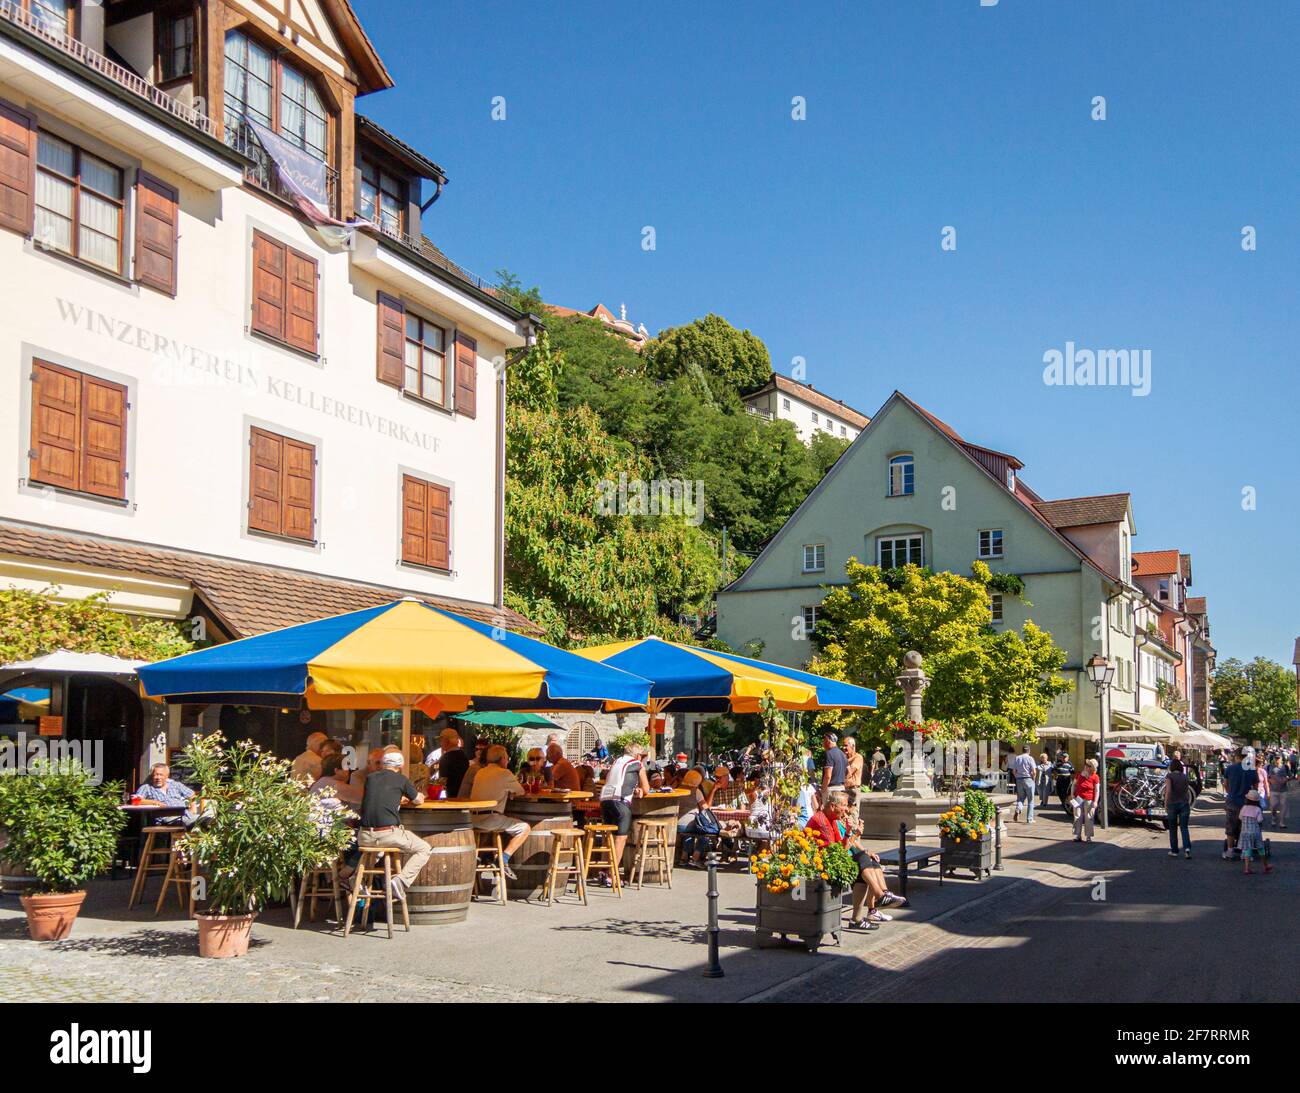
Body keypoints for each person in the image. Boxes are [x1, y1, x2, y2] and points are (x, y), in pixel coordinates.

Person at [806, 791, 907, 929]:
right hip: (823, 863)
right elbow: (838, 851)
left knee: (868, 863)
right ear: (833, 806)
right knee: (863, 859)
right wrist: (852, 834)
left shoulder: (833, 820)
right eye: (843, 805)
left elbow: (842, 847)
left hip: (832, 859)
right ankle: (879, 897)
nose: (846, 809)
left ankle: (859, 917)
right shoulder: (821, 820)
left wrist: (850, 833)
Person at [356, 751, 429, 901]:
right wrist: (420, 796)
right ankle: (400, 881)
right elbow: (417, 800)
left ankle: (357, 878)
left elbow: (377, 798)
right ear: (401, 766)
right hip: (387, 834)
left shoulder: (370, 778)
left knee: (378, 852)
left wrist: (396, 799)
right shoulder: (401, 779)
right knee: (424, 849)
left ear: (383, 764)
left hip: (364, 836)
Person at [467, 744, 531, 880]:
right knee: (525, 828)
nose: (507, 761)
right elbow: (521, 792)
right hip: (490, 819)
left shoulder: (480, 772)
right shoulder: (505, 773)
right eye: (507, 758)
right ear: (502, 759)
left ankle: (479, 858)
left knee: (491, 830)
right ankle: (503, 859)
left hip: (473, 818)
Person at [599, 743, 651, 875]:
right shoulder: (637, 764)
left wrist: (633, 789)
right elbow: (646, 789)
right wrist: (639, 789)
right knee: (620, 838)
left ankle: (603, 871)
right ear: (638, 755)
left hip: (605, 799)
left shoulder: (616, 761)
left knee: (608, 836)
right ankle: (612, 874)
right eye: (642, 756)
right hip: (621, 802)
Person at [1222, 749, 1255, 861]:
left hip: (1232, 801)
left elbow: (1225, 784)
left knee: (1231, 827)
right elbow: (1255, 787)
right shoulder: (1251, 768)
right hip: (1248, 803)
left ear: (1236, 756)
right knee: (1246, 827)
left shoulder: (1230, 768)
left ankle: (1230, 850)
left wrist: (1231, 792)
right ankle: (1245, 852)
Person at [676, 770, 713, 866]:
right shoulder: (696, 791)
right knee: (706, 833)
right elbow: (705, 808)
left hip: (677, 824)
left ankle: (683, 858)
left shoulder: (677, 789)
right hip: (689, 823)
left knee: (689, 835)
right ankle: (695, 858)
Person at [1163, 758, 1193, 858]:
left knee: (1173, 828)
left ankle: (1174, 851)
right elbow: (1187, 791)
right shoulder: (1185, 776)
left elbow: (1168, 791)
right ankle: (1187, 849)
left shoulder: (1169, 776)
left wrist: (1165, 803)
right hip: (1184, 804)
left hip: (1172, 804)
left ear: (1171, 767)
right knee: (1184, 827)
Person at [1238, 790, 1271, 875]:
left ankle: (1246, 868)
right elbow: (1260, 820)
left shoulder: (1244, 807)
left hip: (1245, 832)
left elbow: (1240, 817)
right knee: (1260, 848)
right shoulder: (1257, 809)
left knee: (1247, 850)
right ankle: (1266, 866)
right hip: (1255, 831)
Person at [1071, 757, 1100, 842]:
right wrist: (1072, 795)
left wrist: (1095, 801)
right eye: (1086, 764)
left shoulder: (1095, 777)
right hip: (1078, 798)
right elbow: (1074, 785)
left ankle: (1088, 836)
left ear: (1092, 768)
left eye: (1088, 765)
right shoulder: (1079, 774)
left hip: (1089, 799)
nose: (1086, 766)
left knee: (1089, 818)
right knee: (1077, 816)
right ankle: (1077, 835)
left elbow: (1097, 790)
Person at [436, 728, 469, 797]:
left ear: (447, 741)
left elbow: (442, 782)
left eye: (441, 740)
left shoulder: (445, 758)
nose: (440, 743)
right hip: (463, 796)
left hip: (451, 797)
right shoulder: (463, 756)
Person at [1010, 744, 1038, 823]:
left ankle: (1018, 810)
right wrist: (1033, 780)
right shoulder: (1030, 758)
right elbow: (1034, 771)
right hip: (1028, 779)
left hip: (1019, 779)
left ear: (1022, 750)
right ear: (1029, 750)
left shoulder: (1017, 758)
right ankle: (1029, 819)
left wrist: (1017, 777)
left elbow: (1013, 771)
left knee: (1021, 798)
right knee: (1031, 800)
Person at [843, 736, 865, 823]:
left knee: (853, 816)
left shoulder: (858, 757)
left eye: (846, 746)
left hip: (853, 789)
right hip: (845, 790)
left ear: (853, 746)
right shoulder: (845, 758)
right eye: (843, 746)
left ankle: (855, 835)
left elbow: (849, 772)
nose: (844, 748)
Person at [820, 731, 848, 801]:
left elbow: (828, 776)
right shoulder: (843, 754)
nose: (823, 744)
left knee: (829, 811)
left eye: (824, 741)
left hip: (832, 790)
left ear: (828, 741)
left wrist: (823, 790)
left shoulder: (829, 753)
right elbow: (848, 772)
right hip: (841, 788)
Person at [1267, 758, 1288, 826]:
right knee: (1273, 806)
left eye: (1278, 758)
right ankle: (1273, 817)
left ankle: (1282, 822)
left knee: (1283, 806)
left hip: (1283, 790)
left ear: (1281, 759)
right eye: (1276, 758)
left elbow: (1290, 776)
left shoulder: (1285, 767)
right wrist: (1270, 780)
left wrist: (1286, 779)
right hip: (1273, 790)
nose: (1277, 760)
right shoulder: (1270, 766)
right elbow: (1268, 777)